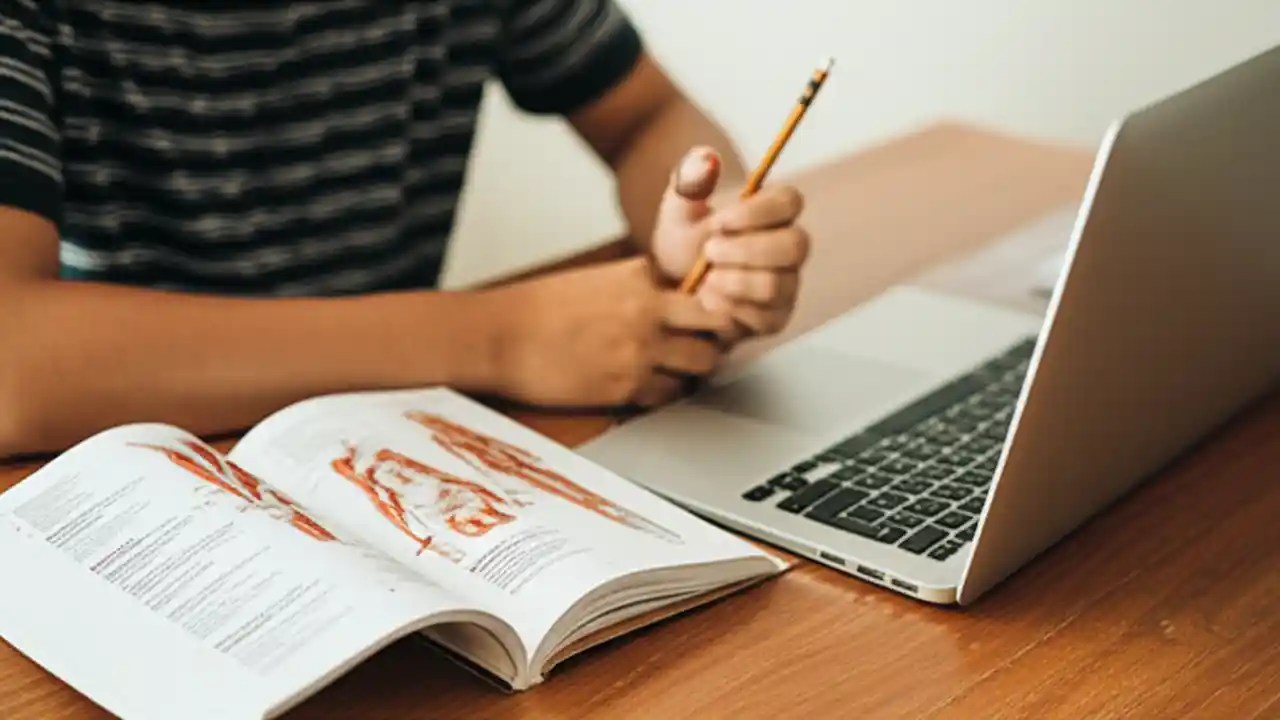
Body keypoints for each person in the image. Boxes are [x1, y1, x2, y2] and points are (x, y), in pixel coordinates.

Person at [0, 2, 811, 458]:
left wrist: (700, 225)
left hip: (398, 443)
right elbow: (13, 363)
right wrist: (503, 339)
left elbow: (647, 115)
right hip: (126, 476)